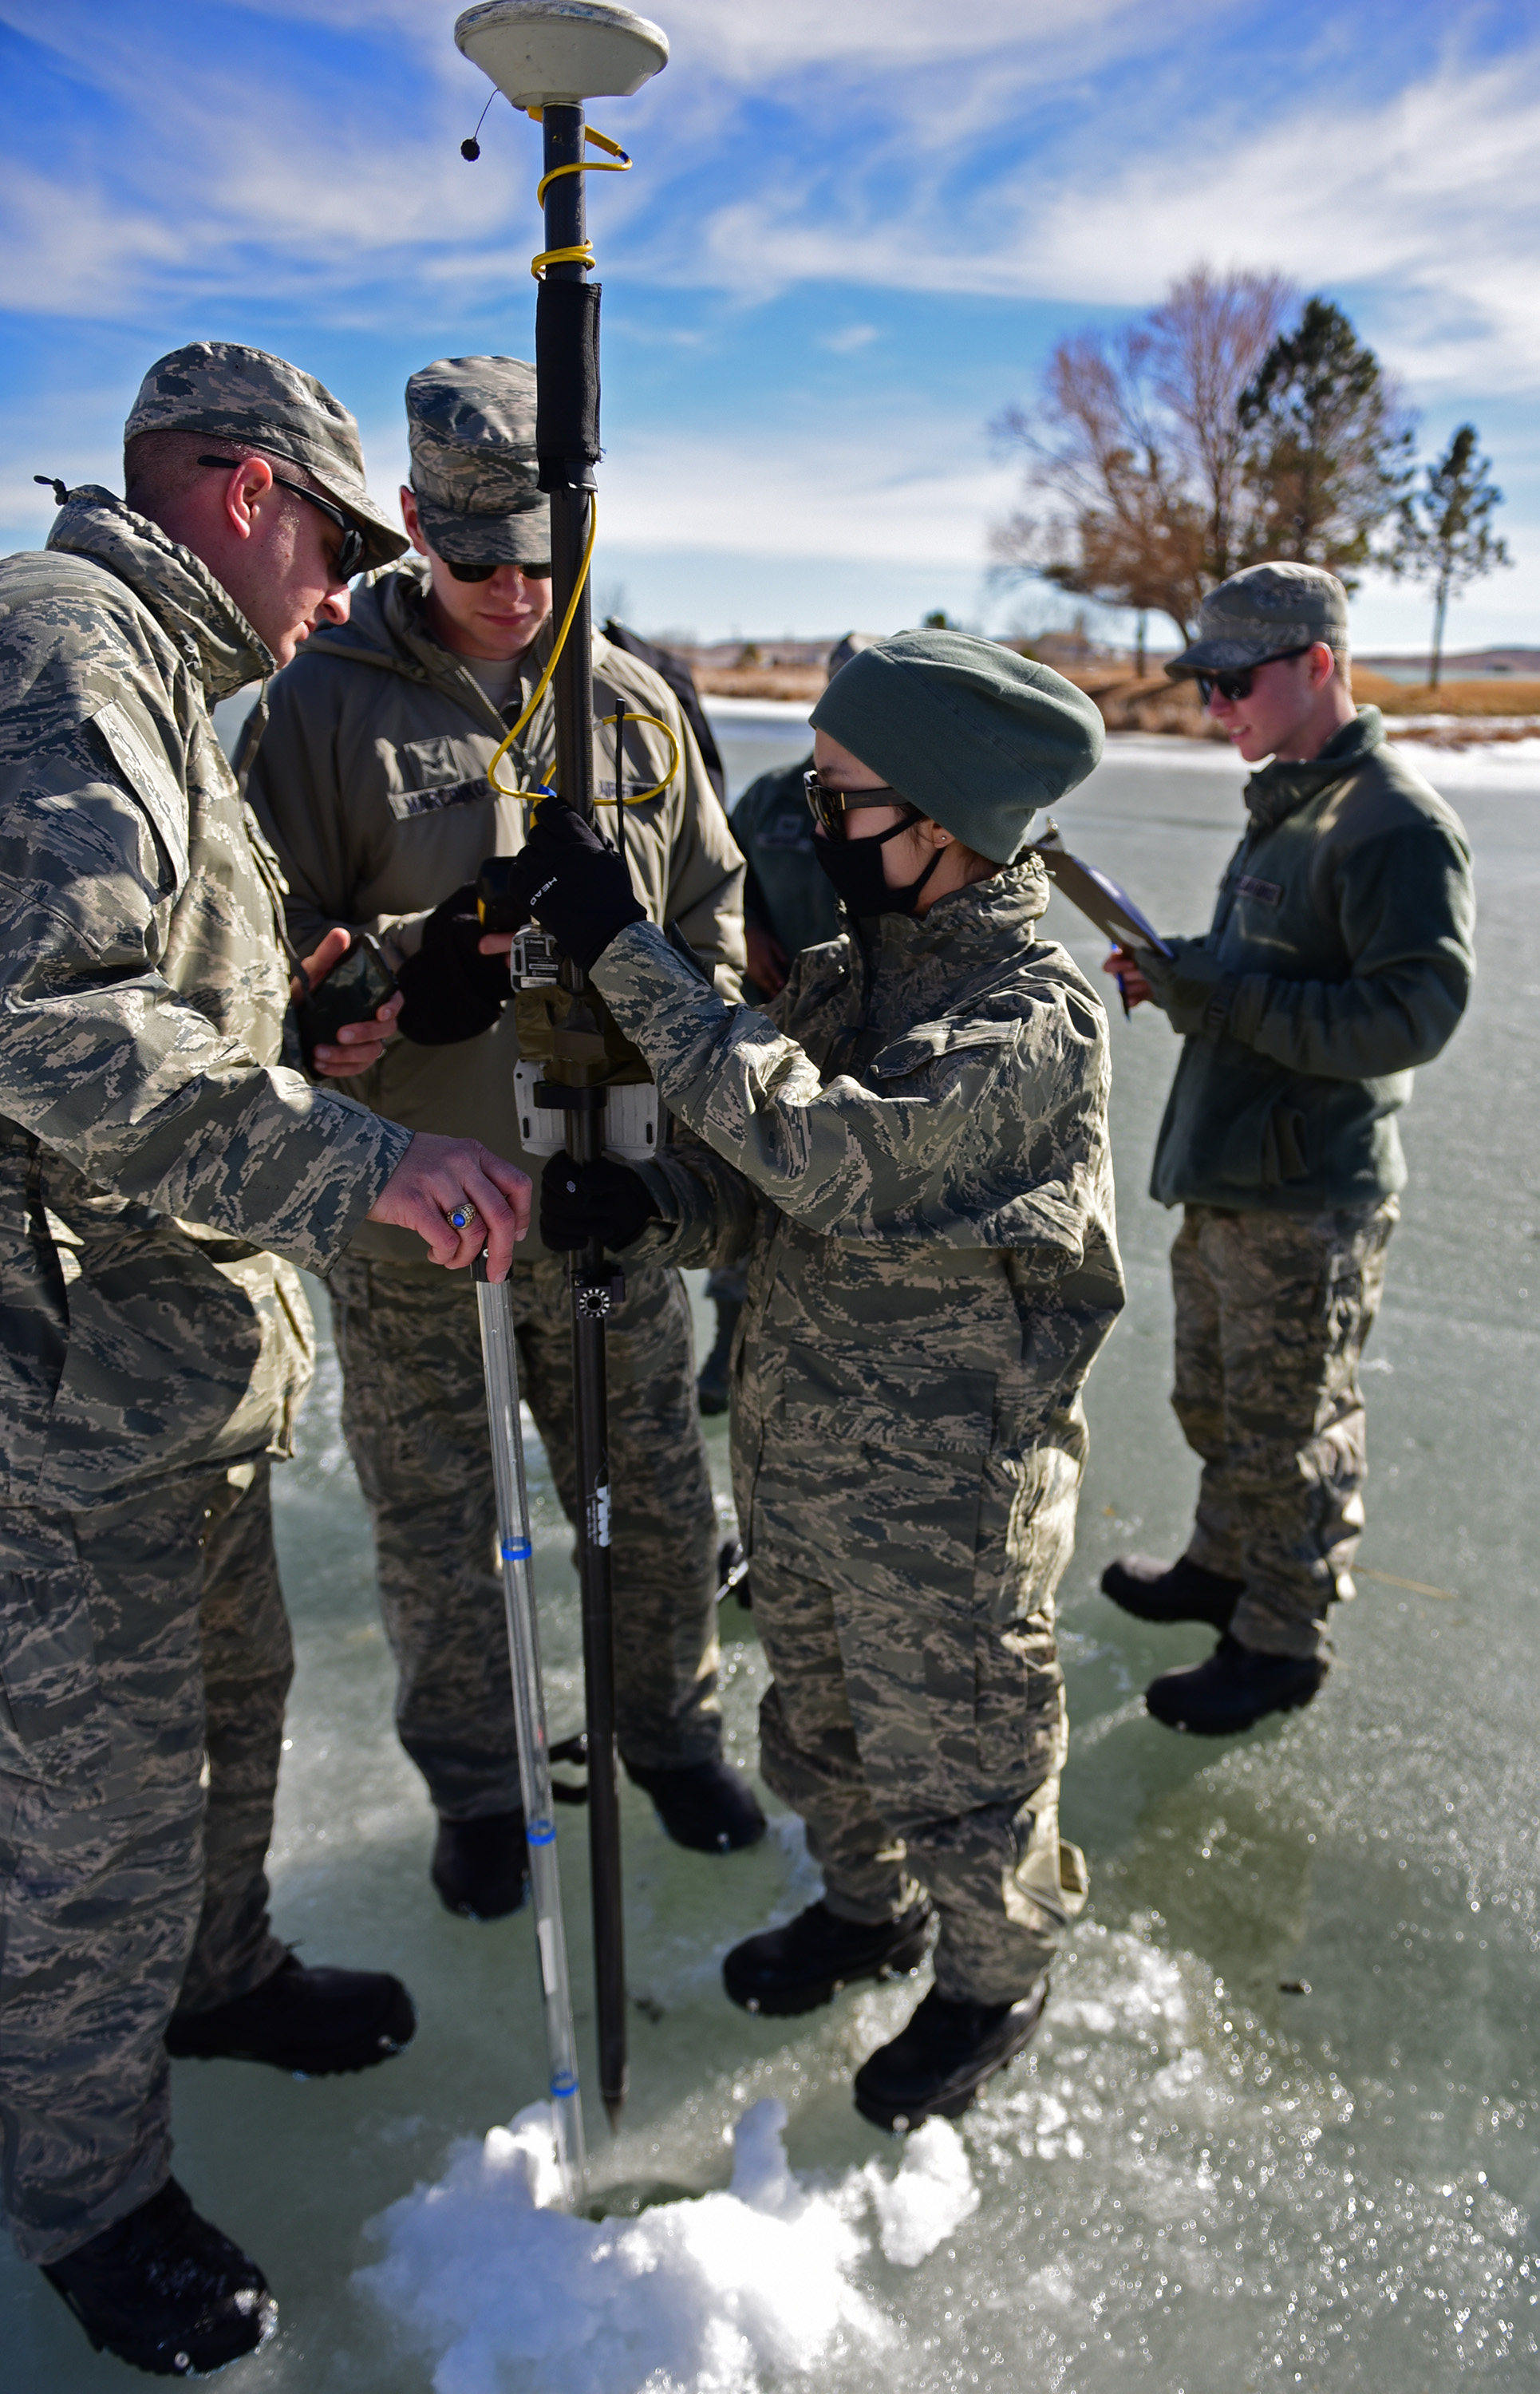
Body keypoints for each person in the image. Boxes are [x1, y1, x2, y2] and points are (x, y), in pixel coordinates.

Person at [0, 342, 534, 2375]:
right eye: (327, 534)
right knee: (89, 1810)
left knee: (230, 1705)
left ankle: (214, 1974)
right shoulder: (74, 653)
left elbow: (161, 998)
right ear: (237, 487)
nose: (335, 588)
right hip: (65, 1394)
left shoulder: (153, 674)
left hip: (166, 1370)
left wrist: (310, 1017)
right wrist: (364, 1157)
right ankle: (83, 2185)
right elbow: (59, 1028)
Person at [504, 630, 1125, 2131]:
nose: (808, 826)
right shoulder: (855, 978)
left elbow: (834, 1156)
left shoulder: (1030, 1021)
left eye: (839, 799)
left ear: (944, 822)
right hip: (800, 1458)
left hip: (945, 1493)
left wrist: (630, 958)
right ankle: (869, 1907)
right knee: (823, 1728)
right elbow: (754, 1174)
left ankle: (996, 1971)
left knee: (963, 1760)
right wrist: (661, 1208)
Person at [247, 355, 764, 1917]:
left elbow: (715, 929)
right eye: (476, 561)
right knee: (441, 1523)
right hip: (416, 1221)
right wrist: (399, 969)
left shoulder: (635, 702)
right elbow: (256, 958)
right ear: (407, 522)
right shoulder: (318, 707)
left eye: (547, 558)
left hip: (608, 1200)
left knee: (659, 1499)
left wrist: (667, 1049)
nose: (514, 591)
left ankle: (668, 1734)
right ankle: (477, 1787)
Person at [1101, 563, 1475, 1736]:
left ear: (1317, 663)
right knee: (1217, 1404)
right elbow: (1270, 965)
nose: (1213, 708)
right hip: (1233, 1173)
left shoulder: (1392, 822)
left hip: (1305, 1192)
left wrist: (1224, 997)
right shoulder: (1295, 799)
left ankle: (1281, 1635)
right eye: (1200, 685)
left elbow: (1407, 1019)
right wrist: (1181, 973)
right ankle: (1223, 1565)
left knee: (1290, 1421)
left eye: (1230, 683)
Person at [697, 634, 877, 1413]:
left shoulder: (904, 804)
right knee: (747, 1179)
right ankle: (728, 1342)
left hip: (868, 1041)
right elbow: (718, 884)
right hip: (774, 1026)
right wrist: (751, 934)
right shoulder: (773, 797)